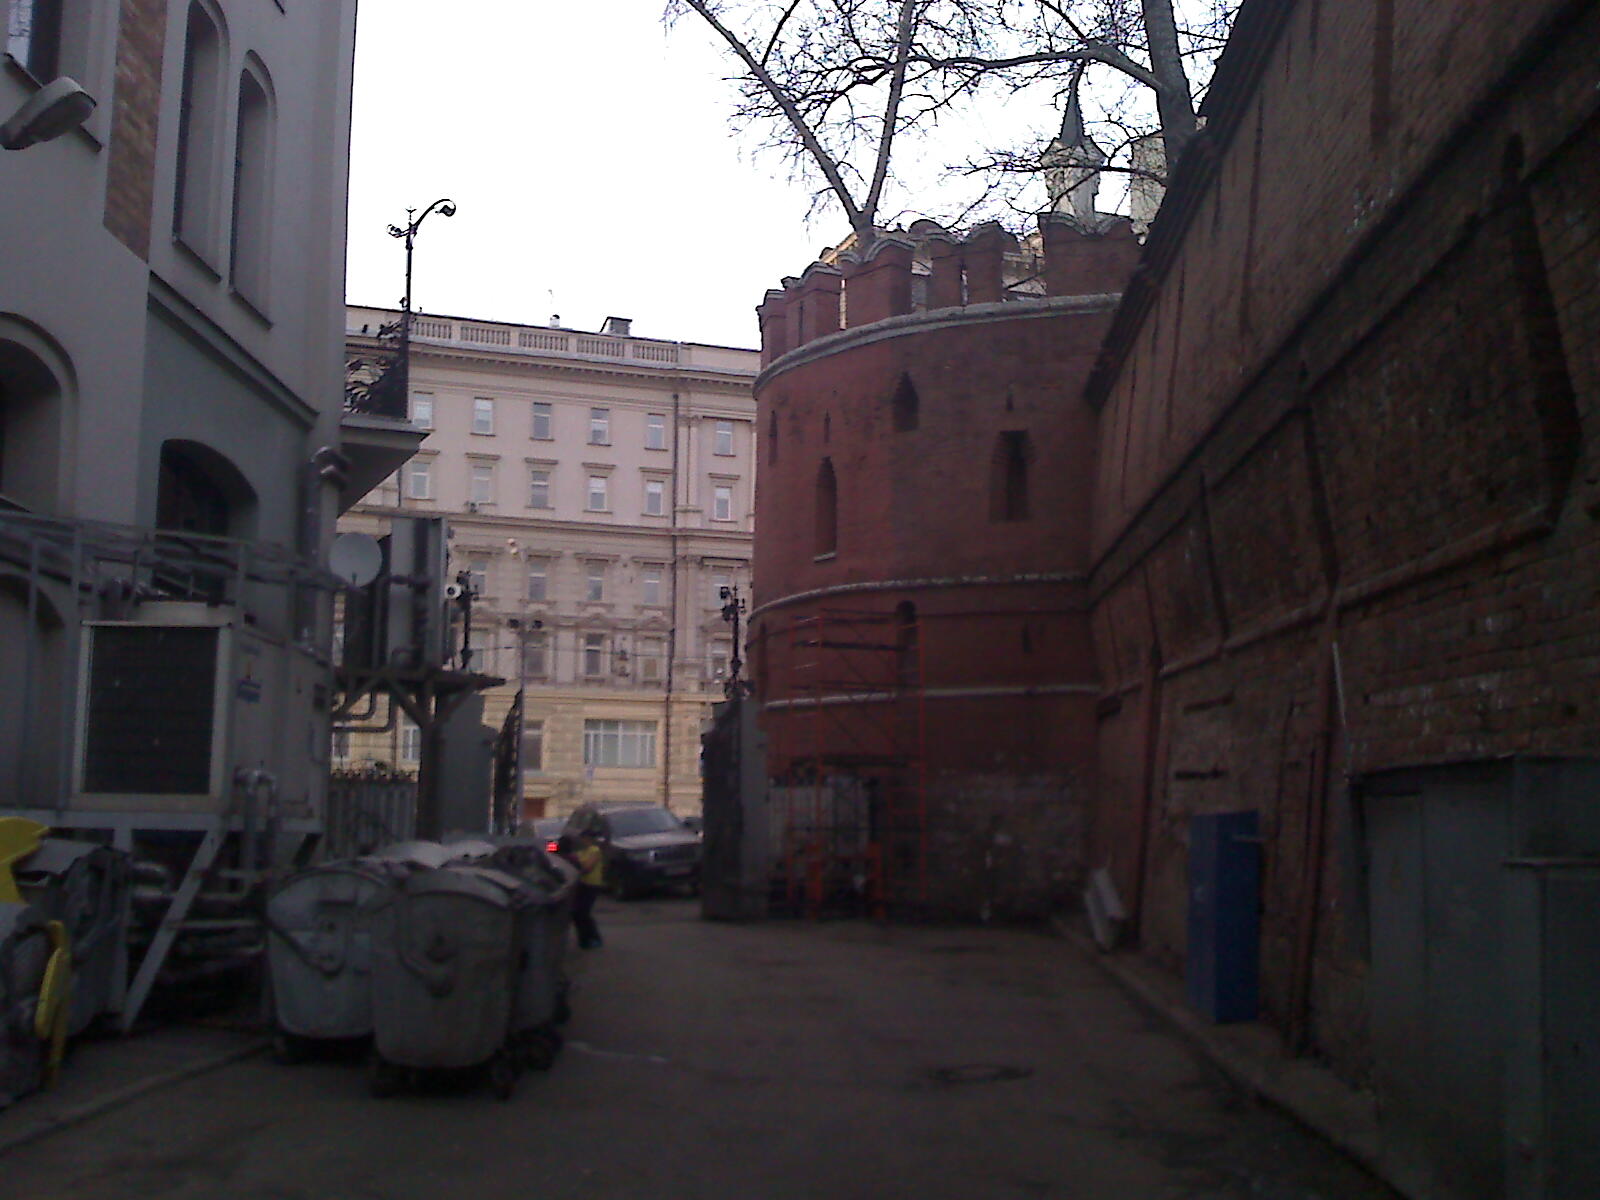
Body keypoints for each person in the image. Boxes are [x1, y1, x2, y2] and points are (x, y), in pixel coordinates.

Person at [563, 831, 604, 949]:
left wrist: (576, 864)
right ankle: (584, 939)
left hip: (592, 884)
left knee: (583, 912)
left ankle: (593, 938)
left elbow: (587, 868)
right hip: (581, 884)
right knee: (577, 913)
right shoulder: (580, 852)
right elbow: (554, 850)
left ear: (589, 839)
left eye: (584, 838)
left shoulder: (594, 850)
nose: (582, 841)